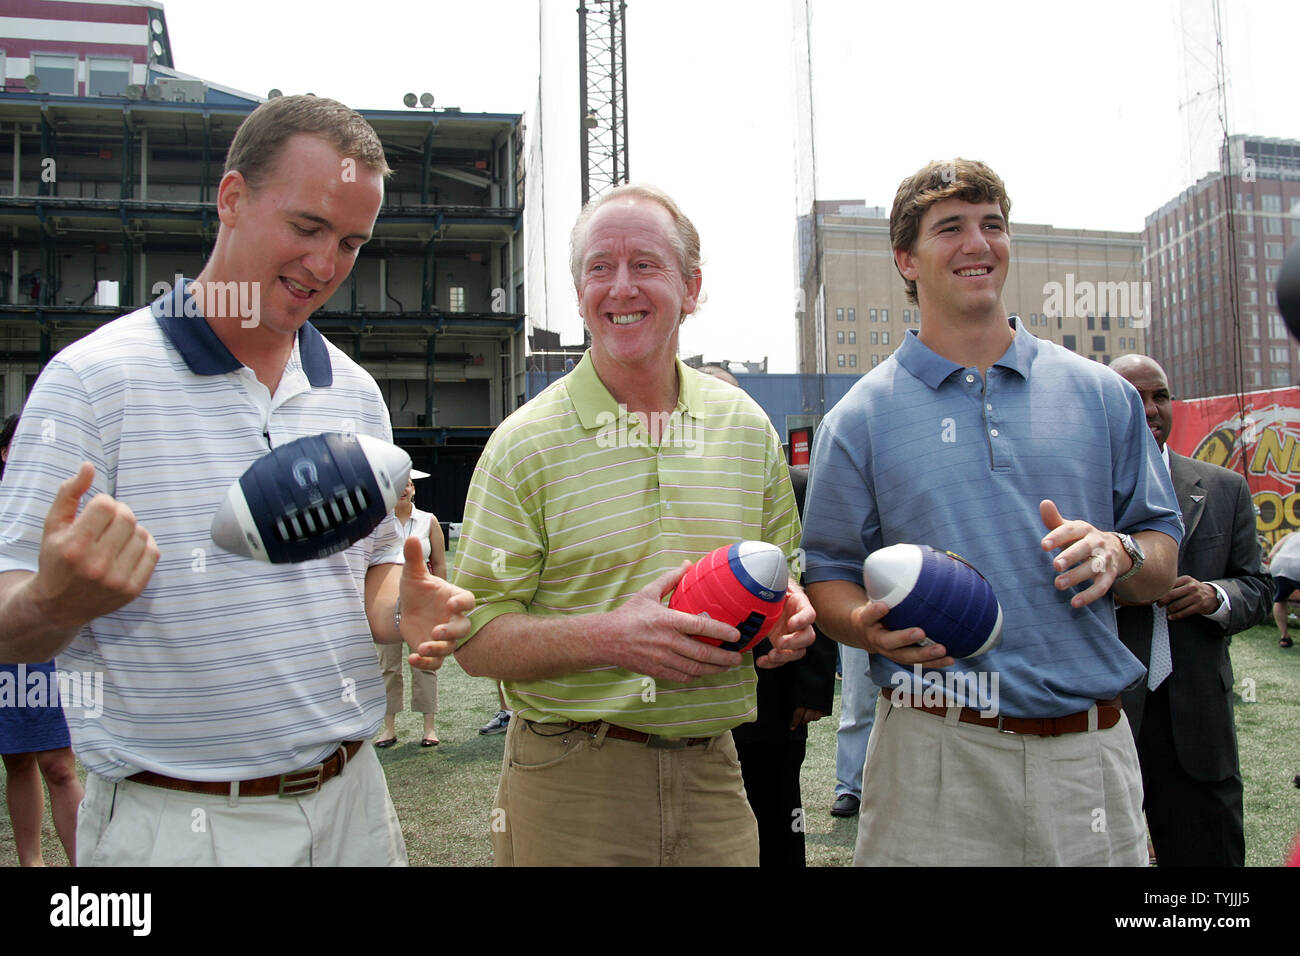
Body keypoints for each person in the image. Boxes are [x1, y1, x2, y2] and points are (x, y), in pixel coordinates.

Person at [0, 95, 473, 866]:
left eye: (352, 241)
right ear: (232, 198)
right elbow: (8, 619)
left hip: (354, 801)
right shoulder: (92, 380)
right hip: (176, 820)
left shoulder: (354, 393)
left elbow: (374, 573)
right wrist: (54, 602)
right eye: (307, 227)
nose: (326, 266)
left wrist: (400, 607)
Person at [801, 158, 1183, 866]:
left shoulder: (1104, 396)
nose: (979, 243)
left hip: (1086, 757)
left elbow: (1161, 561)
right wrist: (864, 627)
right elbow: (827, 575)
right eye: (951, 228)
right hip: (933, 756)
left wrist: (1120, 554)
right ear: (905, 260)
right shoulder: (859, 419)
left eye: (993, 225)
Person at [452, 183, 815, 866]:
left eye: (645, 264)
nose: (621, 287)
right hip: (572, 781)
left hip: (715, 775)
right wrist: (610, 637)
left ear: (691, 285)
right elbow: (474, 638)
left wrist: (791, 615)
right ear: (580, 287)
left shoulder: (743, 428)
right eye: (599, 267)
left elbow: (785, 577)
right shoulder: (523, 443)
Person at [1110, 354, 1270, 867]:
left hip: (1199, 728)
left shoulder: (1224, 488)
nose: (1152, 408)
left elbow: (1259, 587)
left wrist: (1216, 597)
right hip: (1107, 721)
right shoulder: (1081, 492)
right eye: (1135, 396)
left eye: (1160, 395)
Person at [698, 365, 836, 866]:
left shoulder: (795, 484)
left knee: (778, 817)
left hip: (775, 695)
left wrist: (814, 685)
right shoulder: (674, 488)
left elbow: (816, 580)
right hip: (696, 695)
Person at [0, 413, 85, 867]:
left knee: (58, 763)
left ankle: (81, 867)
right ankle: (30, 861)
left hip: (52, 648)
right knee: (15, 759)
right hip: (4, 647)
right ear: (5, 452)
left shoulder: (62, 505)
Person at [375, 470, 448, 748]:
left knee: (424, 665)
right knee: (388, 667)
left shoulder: (428, 521)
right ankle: (388, 728)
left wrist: (440, 600)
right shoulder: (377, 524)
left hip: (422, 604)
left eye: (405, 485)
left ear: (413, 488)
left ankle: (429, 728)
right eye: (396, 487)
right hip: (386, 603)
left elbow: (439, 563)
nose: (402, 491)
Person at [1267, 531, 1300, 648]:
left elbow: (1271, 555)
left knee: (1280, 600)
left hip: (1278, 565)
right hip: (1297, 566)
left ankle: (1284, 637)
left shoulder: (1293, 535)